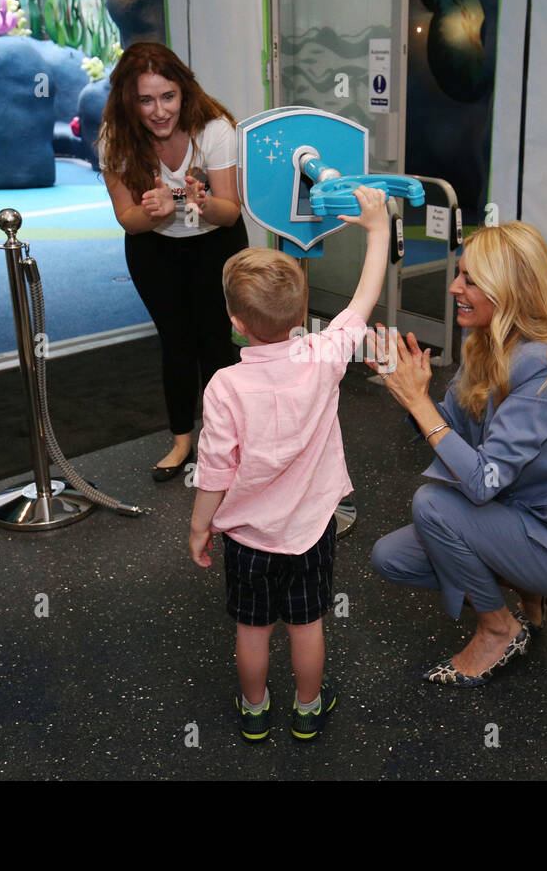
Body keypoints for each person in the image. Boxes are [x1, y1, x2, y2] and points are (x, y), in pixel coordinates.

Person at [367, 221, 547, 687]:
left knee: (432, 505)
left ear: (510, 290)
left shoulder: (545, 366)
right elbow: (452, 425)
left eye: (470, 279)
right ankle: (527, 586)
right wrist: (408, 392)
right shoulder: (484, 341)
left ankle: (498, 628)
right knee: (391, 557)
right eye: (459, 274)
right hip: (515, 512)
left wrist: (421, 405)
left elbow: (483, 481)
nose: (454, 287)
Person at [188, 187, 390, 741]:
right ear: (300, 314)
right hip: (311, 531)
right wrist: (377, 231)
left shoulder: (224, 386)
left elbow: (214, 471)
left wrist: (201, 526)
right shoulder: (323, 356)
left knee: (252, 629)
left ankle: (255, 709)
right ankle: (307, 707)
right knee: (307, 625)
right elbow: (364, 299)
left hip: (248, 539)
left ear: (235, 320)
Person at [99, 42, 248, 481]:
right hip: (155, 247)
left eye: (168, 96)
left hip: (215, 241)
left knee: (216, 343)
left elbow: (230, 210)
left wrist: (194, 201)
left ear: (184, 91)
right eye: (146, 100)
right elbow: (128, 219)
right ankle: (183, 440)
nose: (160, 111)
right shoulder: (115, 139)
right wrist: (155, 212)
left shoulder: (214, 129)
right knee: (176, 343)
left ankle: (225, 441)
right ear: (129, 100)